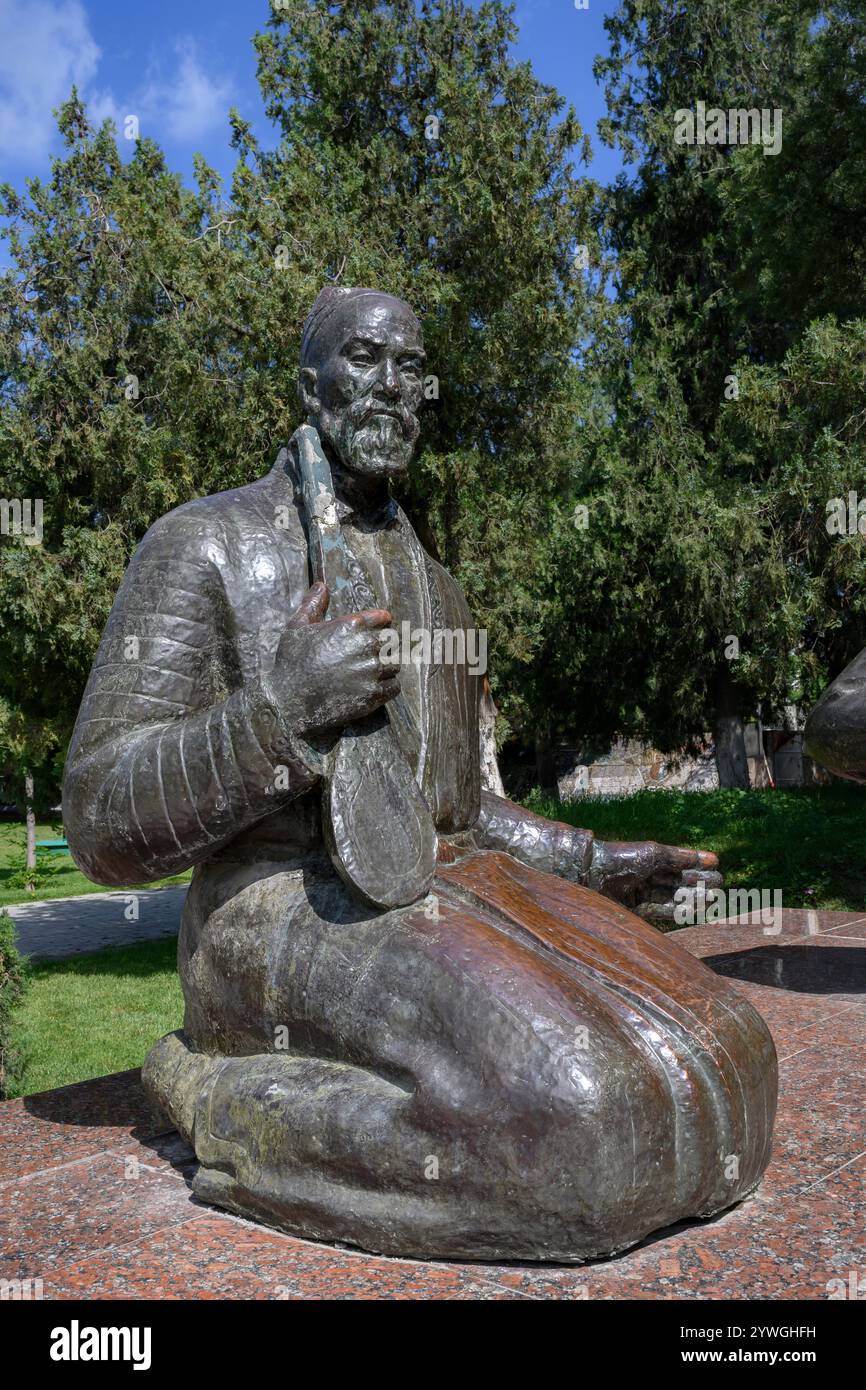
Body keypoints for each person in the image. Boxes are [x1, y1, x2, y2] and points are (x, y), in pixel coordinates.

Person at [63, 286, 776, 1261]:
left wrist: (589, 859)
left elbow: (457, 806)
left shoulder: (434, 583)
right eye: (365, 359)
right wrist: (278, 715)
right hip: (272, 912)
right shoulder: (203, 546)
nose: (393, 387)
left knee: (725, 1048)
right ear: (310, 383)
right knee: (580, 1125)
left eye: (410, 367)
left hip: (443, 886)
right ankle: (220, 1093)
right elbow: (100, 819)